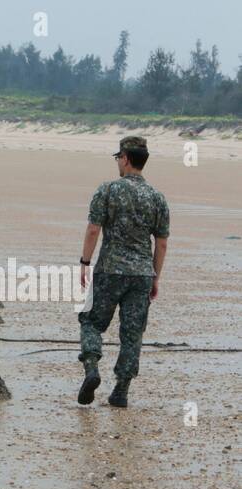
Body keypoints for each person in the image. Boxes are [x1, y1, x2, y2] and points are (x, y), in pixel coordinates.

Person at [76, 135, 170, 407]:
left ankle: (92, 368)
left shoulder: (107, 190)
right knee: (132, 333)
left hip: (110, 270)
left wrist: (84, 263)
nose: (118, 161)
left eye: (118, 157)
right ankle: (121, 390)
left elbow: (94, 229)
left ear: (126, 159)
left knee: (92, 322)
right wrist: (155, 276)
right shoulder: (157, 198)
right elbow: (161, 243)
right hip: (141, 274)